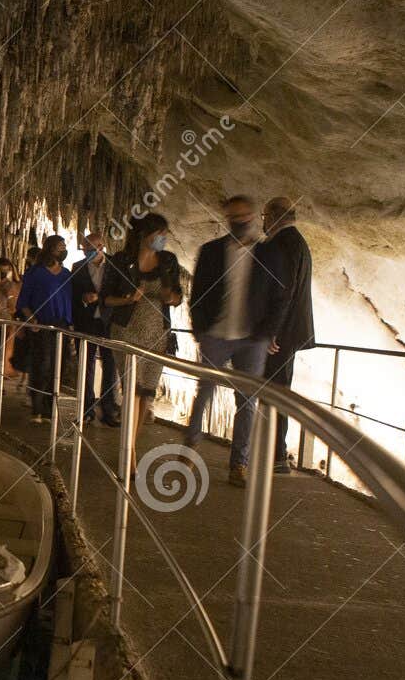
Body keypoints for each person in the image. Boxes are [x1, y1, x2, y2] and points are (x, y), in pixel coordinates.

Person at [186, 195, 285, 487]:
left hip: (252, 339)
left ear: (254, 217)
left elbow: (281, 297)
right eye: (233, 216)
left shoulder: (269, 255)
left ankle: (239, 463)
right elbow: (198, 292)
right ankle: (190, 448)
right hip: (216, 334)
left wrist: (267, 332)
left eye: (244, 216)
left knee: (247, 401)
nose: (239, 221)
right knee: (204, 391)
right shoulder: (212, 252)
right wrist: (199, 328)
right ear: (226, 218)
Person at [104, 213, 183, 459]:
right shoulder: (121, 260)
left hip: (157, 334)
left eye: (165, 233)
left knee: (145, 393)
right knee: (132, 390)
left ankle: (131, 447)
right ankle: (128, 449)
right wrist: (129, 299)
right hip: (127, 330)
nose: (163, 238)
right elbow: (105, 297)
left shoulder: (168, 261)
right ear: (143, 235)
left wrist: (173, 297)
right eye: (158, 233)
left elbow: (178, 296)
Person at [257, 197, 315, 474]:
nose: (263, 222)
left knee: (272, 391)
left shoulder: (283, 243)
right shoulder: (299, 242)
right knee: (277, 390)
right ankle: (274, 452)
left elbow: (283, 291)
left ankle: (275, 454)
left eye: (264, 216)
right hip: (289, 334)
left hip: (279, 337)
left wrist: (271, 332)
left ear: (273, 216)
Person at [15, 235, 72, 423]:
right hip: (42, 323)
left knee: (58, 366)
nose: (63, 250)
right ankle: (37, 407)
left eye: (64, 247)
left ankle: (49, 408)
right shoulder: (36, 273)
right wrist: (31, 319)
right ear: (50, 249)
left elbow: (69, 301)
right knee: (43, 364)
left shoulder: (66, 274)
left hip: (62, 324)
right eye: (59, 247)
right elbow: (23, 300)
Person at [71, 231, 120, 426]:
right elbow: (73, 296)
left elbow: (121, 292)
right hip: (86, 322)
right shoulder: (77, 268)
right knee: (86, 365)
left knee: (111, 366)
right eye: (84, 250)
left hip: (109, 322)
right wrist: (83, 299)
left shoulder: (116, 267)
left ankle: (109, 409)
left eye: (89, 250)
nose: (86, 253)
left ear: (100, 247)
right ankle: (86, 409)